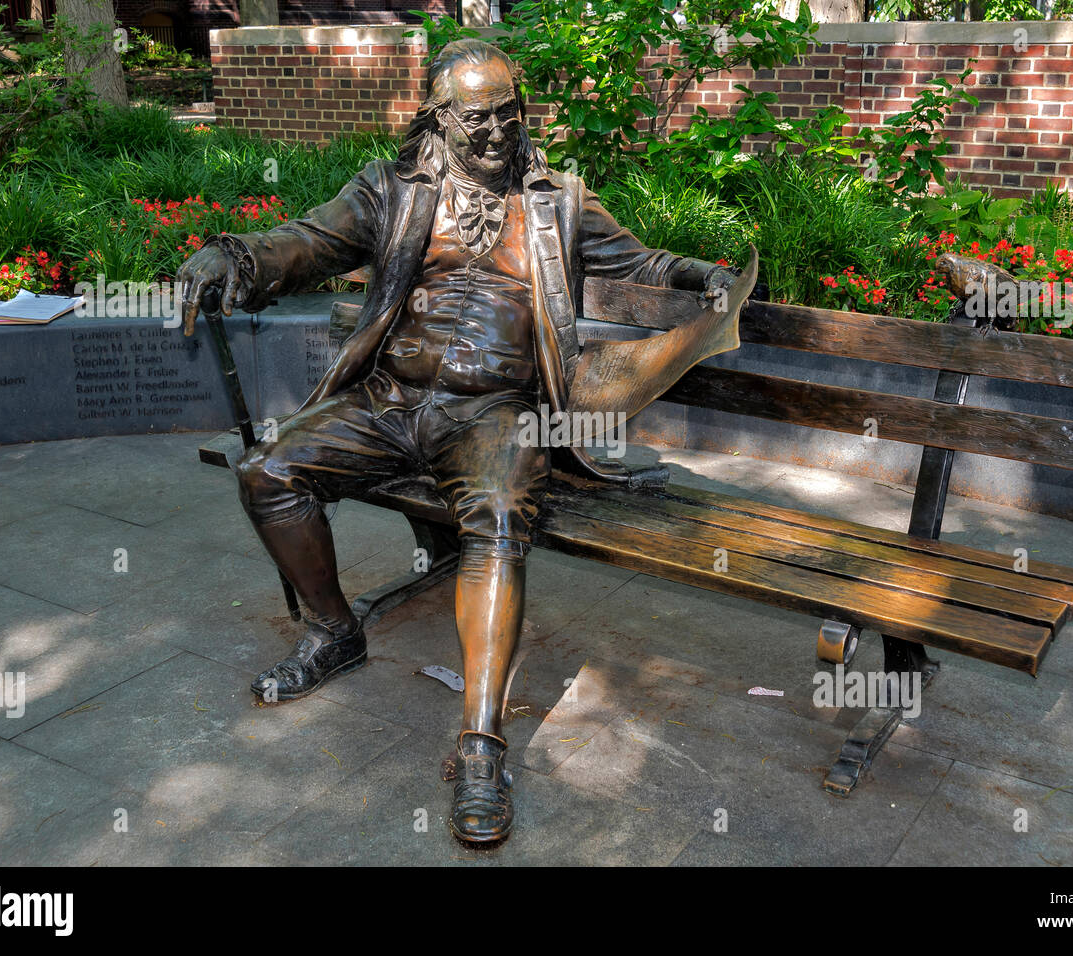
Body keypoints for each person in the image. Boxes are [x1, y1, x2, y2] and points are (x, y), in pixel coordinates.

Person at [176, 38, 738, 844]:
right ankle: (335, 631)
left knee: (502, 519)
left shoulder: (559, 201)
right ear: (438, 119)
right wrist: (233, 256)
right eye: (477, 118)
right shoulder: (390, 190)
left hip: (494, 414)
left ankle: (481, 744)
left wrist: (704, 277)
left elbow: (642, 261)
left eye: (510, 112)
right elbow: (305, 243)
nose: (498, 131)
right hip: (391, 398)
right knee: (270, 471)